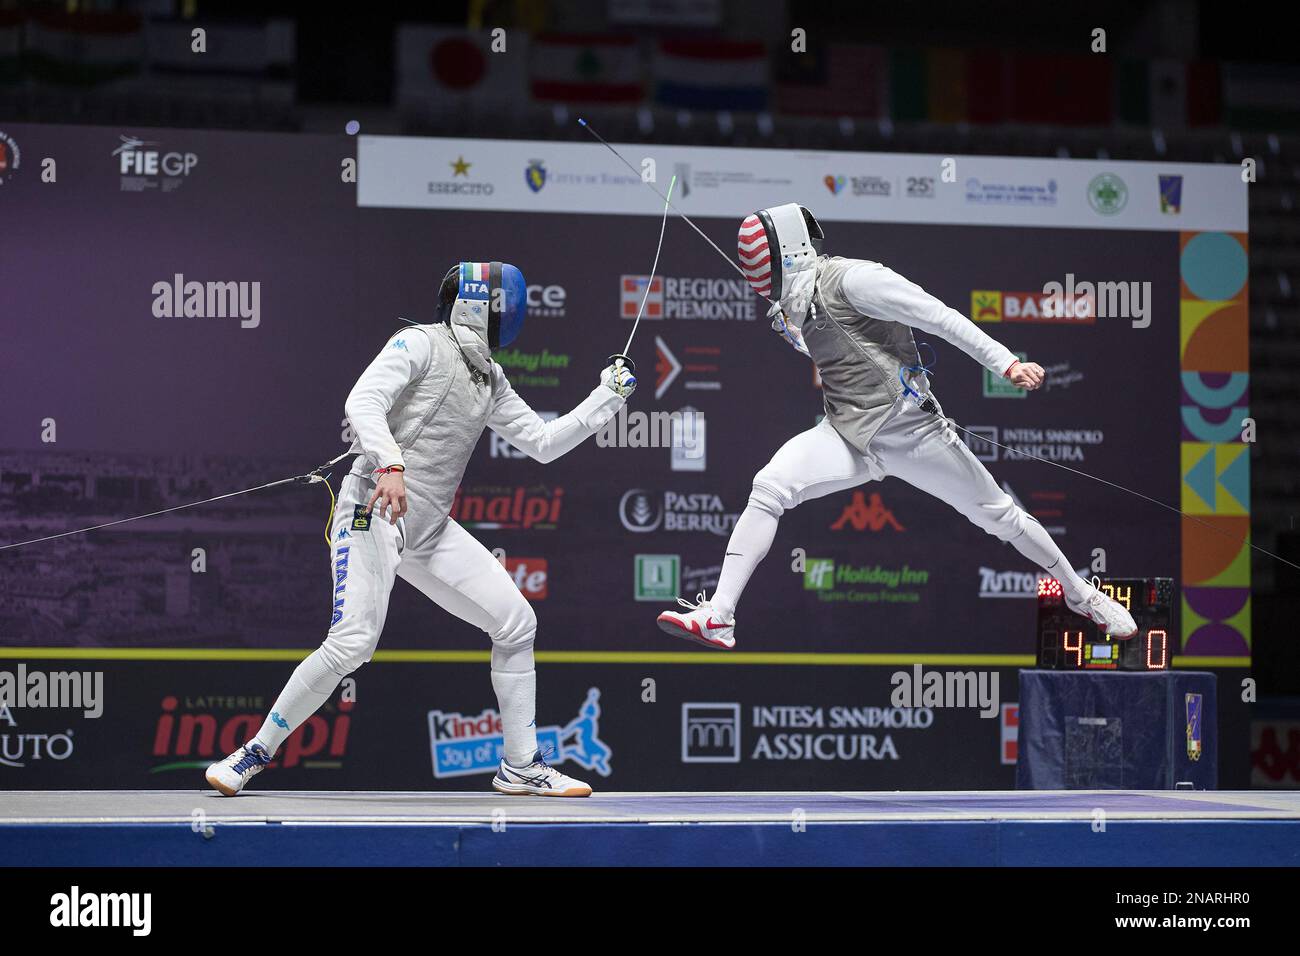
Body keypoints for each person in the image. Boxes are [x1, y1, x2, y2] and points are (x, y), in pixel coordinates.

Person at [207, 261, 635, 797]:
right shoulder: (420, 343)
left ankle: (521, 766)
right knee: (354, 641)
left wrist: (608, 397)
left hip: (428, 527)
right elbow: (364, 401)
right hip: (372, 509)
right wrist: (389, 465)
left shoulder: (490, 378)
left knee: (516, 623)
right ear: (483, 306)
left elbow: (543, 444)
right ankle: (252, 754)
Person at [656, 204, 1136, 649]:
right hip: (847, 433)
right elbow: (845, 354)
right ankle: (720, 614)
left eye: (759, 263)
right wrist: (799, 339)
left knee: (999, 516)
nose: (755, 276)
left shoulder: (857, 280)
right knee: (770, 487)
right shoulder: (796, 305)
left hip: (911, 432)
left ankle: (1080, 594)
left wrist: (1005, 362)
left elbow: (939, 318)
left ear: (787, 252)